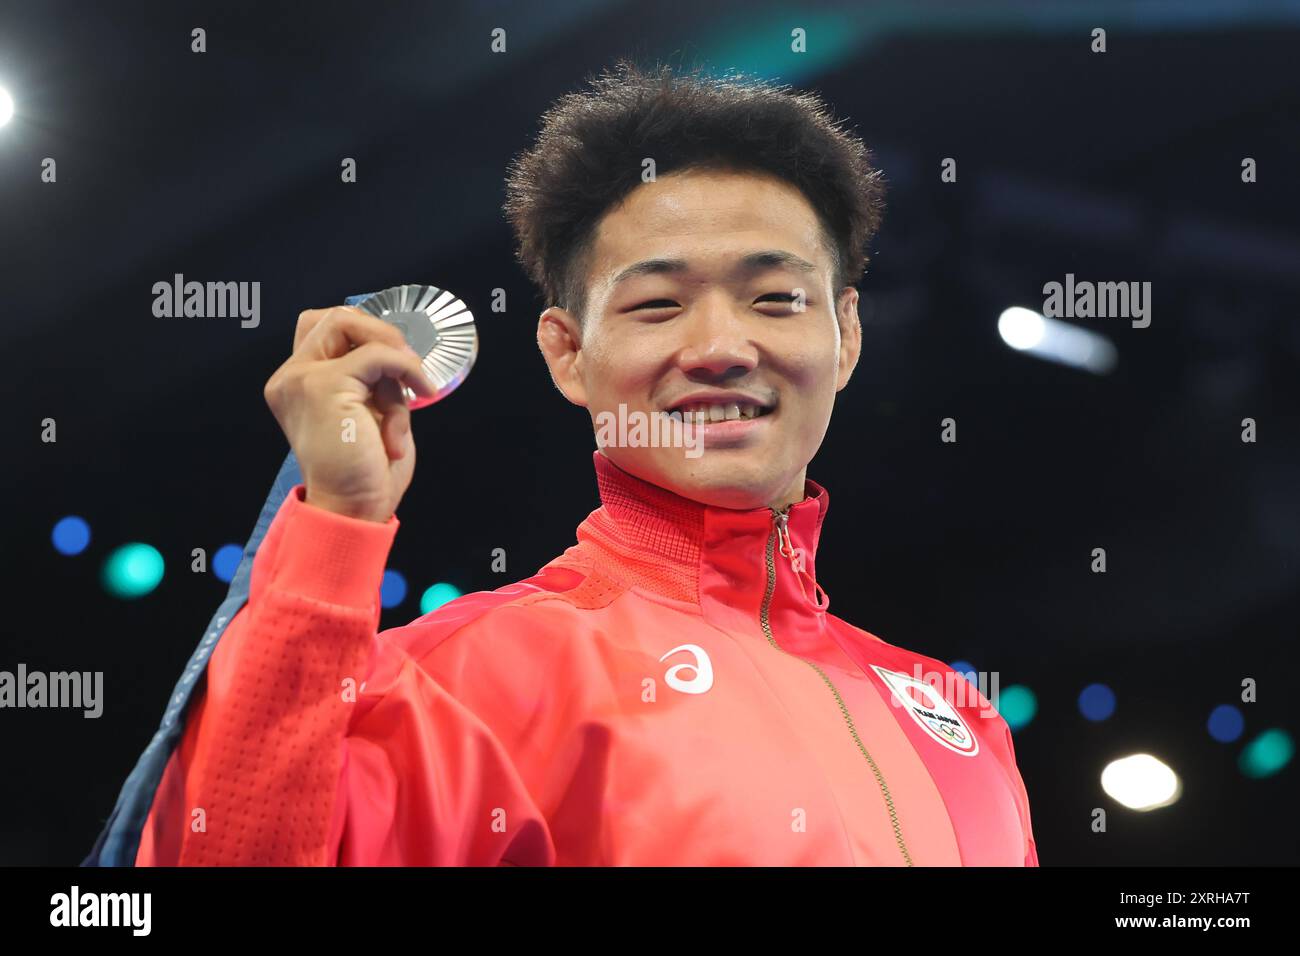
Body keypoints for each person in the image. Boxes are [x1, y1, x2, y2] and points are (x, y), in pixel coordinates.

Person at [130, 60, 1038, 866]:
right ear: (567, 353)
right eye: (655, 305)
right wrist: (334, 523)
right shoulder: (462, 683)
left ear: (844, 337)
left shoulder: (957, 715)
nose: (722, 346)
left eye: (773, 298)